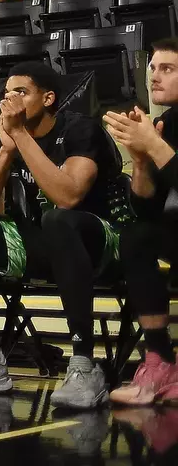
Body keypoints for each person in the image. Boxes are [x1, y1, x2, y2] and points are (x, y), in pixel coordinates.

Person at [0, 63, 134, 405]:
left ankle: (84, 362)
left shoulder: (80, 129)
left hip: (104, 242)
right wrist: (7, 150)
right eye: (7, 92)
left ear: (49, 98)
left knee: (59, 220)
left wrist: (22, 138)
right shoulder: (11, 136)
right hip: (42, 244)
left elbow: (68, 196)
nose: (10, 99)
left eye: (21, 92)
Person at [102, 39, 178, 405]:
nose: (155, 76)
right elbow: (147, 208)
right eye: (152, 68)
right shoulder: (166, 122)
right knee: (136, 235)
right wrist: (141, 159)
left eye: (168, 69)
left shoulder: (158, 131)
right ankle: (160, 359)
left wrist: (155, 145)